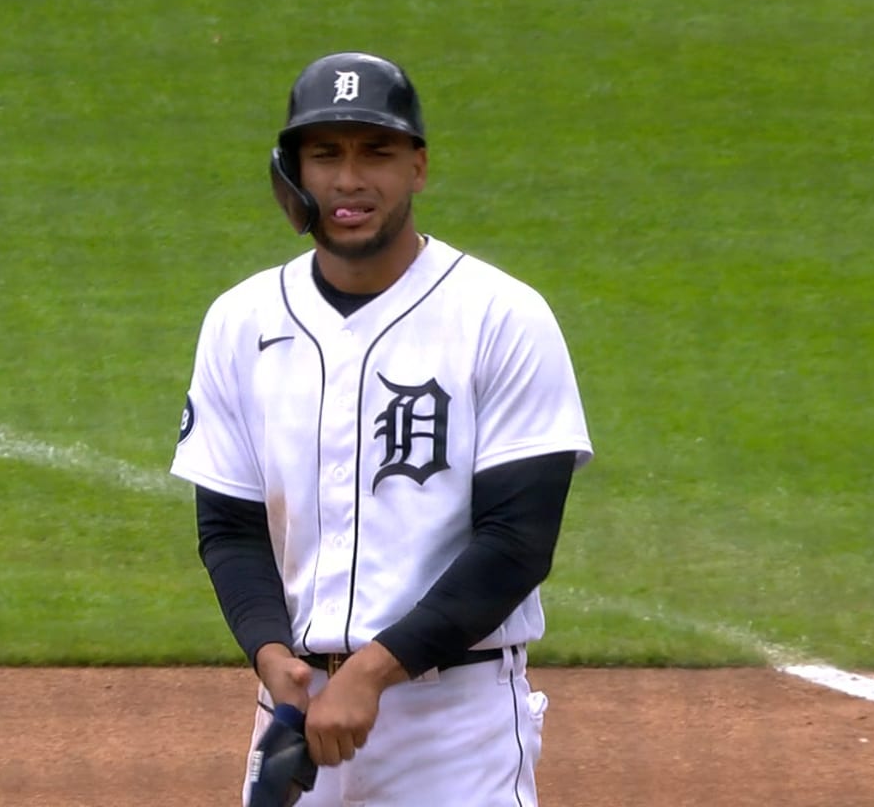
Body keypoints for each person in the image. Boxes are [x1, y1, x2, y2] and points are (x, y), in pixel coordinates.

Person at [170, 51, 594, 806]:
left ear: (419, 168)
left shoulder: (501, 317)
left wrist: (371, 672)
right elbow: (230, 528)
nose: (350, 180)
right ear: (291, 171)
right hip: (298, 718)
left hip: (453, 727)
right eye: (325, 154)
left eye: (378, 153)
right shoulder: (241, 321)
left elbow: (517, 543)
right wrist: (276, 662)